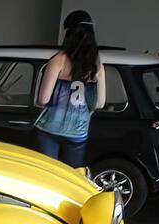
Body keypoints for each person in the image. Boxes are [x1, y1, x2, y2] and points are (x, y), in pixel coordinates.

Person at [35, 10, 106, 167]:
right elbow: (99, 104)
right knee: (71, 175)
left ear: (68, 32)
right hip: (78, 132)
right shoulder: (97, 65)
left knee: (47, 172)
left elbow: (43, 99)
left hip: (50, 128)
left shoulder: (58, 60)